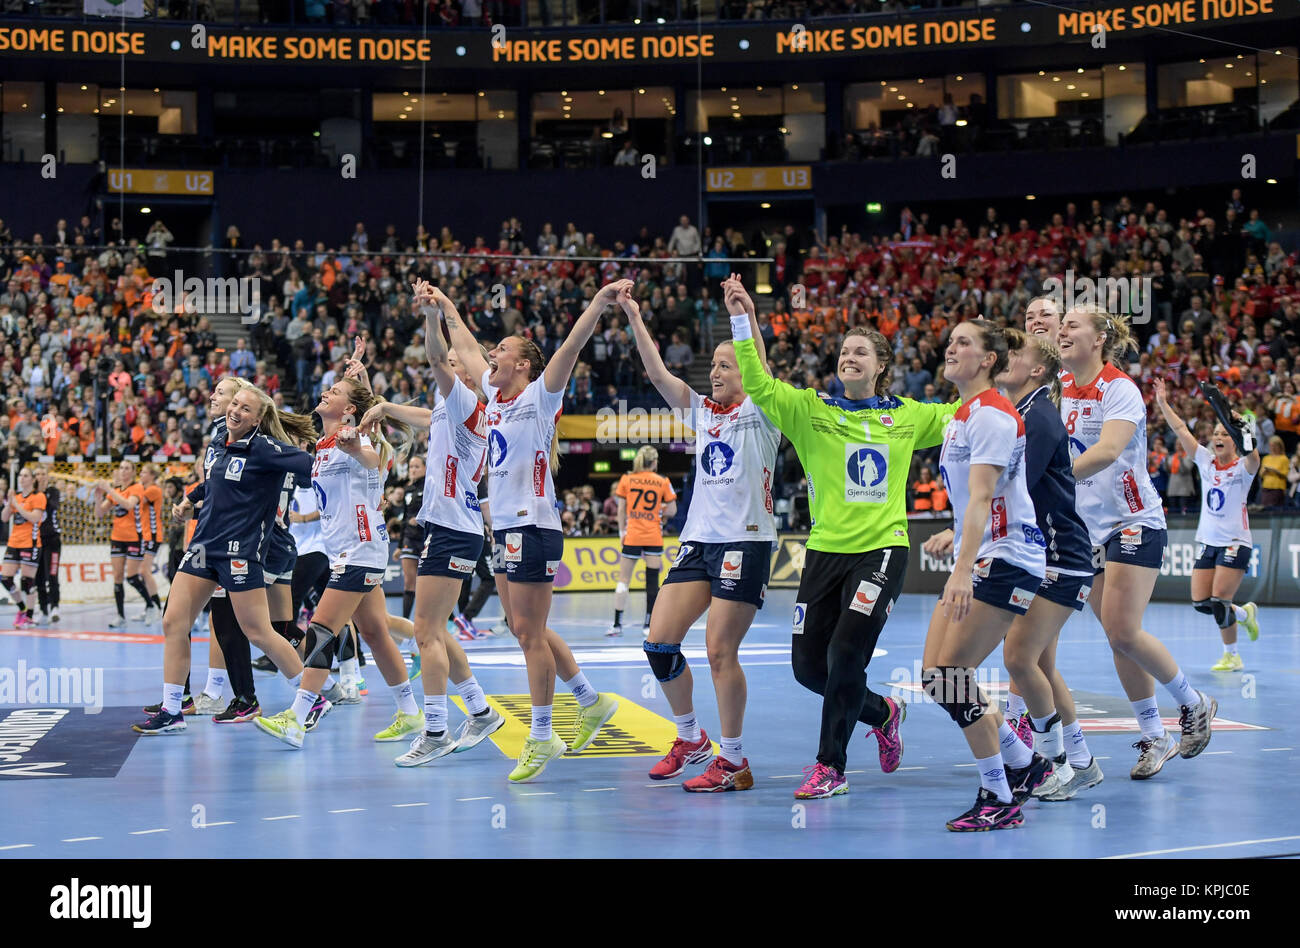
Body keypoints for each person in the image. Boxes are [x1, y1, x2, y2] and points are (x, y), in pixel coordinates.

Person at [730, 282, 959, 800]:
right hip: (824, 554)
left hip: (882, 551)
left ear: (881, 365)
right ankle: (883, 712)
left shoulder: (907, 415)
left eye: (861, 351)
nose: (849, 356)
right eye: (844, 351)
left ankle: (830, 767)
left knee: (846, 655)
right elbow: (759, 384)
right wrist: (743, 321)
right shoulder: (811, 411)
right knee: (809, 668)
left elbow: (967, 415)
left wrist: (1017, 373)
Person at [442, 278, 626, 782]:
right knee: (532, 630)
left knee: (527, 635)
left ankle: (542, 736)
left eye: (501, 350)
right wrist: (443, 304)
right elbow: (462, 343)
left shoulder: (541, 397)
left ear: (522, 364)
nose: (490, 355)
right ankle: (590, 702)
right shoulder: (496, 401)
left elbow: (570, 347)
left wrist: (596, 303)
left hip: (532, 526)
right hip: (505, 529)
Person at [616, 275, 776, 792]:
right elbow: (658, 373)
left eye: (725, 365)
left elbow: (759, 365)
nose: (715, 373)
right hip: (698, 542)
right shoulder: (702, 413)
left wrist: (741, 315)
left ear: (746, 372)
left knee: (718, 652)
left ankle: (734, 761)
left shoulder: (764, 408)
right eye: (713, 365)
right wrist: (636, 317)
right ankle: (691, 738)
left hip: (744, 542)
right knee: (659, 645)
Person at [1058, 306, 1216, 779]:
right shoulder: (1057, 389)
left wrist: (1048, 480)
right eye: (1060, 325)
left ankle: (1193, 701)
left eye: (1072, 326)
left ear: (1099, 338)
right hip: (1087, 528)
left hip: (1133, 519)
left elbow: (1107, 452)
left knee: (1123, 629)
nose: (1062, 332)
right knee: (1116, 636)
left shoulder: (1119, 388)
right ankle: (1154, 734)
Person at [358, 282, 507, 766]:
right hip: (450, 524)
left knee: (425, 633)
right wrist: (383, 406)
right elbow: (427, 415)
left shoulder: (467, 398)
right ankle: (481, 711)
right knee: (436, 630)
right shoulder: (456, 405)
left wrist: (431, 315)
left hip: (452, 526)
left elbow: (439, 362)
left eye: (465, 362)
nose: (456, 365)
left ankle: (438, 729)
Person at [133, 385, 317, 736]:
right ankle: (173, 709)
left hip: (240, 552)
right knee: (173, 622)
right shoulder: (218, 439)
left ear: (258, 419)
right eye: (234, 403)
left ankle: (310, 699)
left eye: (245, 408)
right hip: (203, 546)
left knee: (259, 631)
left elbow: (313, 466)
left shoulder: (266, 448)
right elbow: (213, 482)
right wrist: (189, 499)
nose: (235, 410)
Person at [921, 320, 1047, 831]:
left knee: (953, 674)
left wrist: (960, 571)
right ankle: (1023, 760)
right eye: (950, 341)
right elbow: (982, 500)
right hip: (985, 552)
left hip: (1006, 558)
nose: (951, 348)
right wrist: (959, 540)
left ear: (989, 359)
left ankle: (998, 795)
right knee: (936, 677)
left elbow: (981, 497)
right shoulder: (962, 414)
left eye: (964, 343)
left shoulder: (993, 413)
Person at [253, 371, 421, 750]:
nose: (325, 390)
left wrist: (355, 444)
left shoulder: (354, 439)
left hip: (359, 550)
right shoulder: (324, 445)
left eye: (336, 391)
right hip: (345, 549)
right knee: (376, 633)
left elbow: (371, 456)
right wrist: (356, 373)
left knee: (322, 626)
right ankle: (410, 712)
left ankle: (298, 717)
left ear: (349, 410)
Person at [1154, 378, 1261, 671]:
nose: (1217, 437)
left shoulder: (1243, 469)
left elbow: (1253, 455)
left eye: (1224, 433)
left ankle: (1232, 655)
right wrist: (1163, 403)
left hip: (1235, 542)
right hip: (1209, 541)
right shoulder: (1205, 461)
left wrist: (1244, 426)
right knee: (1201, 602)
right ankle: (1245, 615)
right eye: (1215, 433)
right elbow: (1180, 430)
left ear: (1233, 440)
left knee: (1219, 602)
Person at [606, 445, 677, 638]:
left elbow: (621, 510)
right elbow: (672, 511)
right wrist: (660, 512)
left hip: (632, 536)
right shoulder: (663, 481)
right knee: (652, 583)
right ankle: (648, 625)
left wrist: (622, 532)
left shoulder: (626, 479)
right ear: (654, 462)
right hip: (653, 535)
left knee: (623, 581)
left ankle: (617, 625)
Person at [94, 460, 150, 629]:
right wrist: (98, 497)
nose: (123, 471)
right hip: (117, 537)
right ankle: (120, 616)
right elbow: (100, 513)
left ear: (133, 472)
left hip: (134, 537)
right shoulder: (116, 491)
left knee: (132, 577)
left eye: (127, 468)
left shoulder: (137, 488)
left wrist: (109, 489)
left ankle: (151, 605)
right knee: (117, 576)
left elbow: (128, 505)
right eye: (121, 468)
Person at [1, 467, 45, 628]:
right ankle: (22, 608)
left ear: (32, 480)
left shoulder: (38, 496)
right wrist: (9, 502)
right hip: (14, 542)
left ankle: (29, 616)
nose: (22, 478)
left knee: (27, 582)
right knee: (5, 578)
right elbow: (4, 518)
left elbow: (35, 518)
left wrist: (17, 506)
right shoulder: (17, 497)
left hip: (30, 543)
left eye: (26, 475)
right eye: (21, 475)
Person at [135, 463, 166, 621]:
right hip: (145, 535)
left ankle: (156, 607)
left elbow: (136, 501)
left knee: (144, 571)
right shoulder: (146, 489)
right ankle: (150, 606)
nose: (141, 474)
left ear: (152, 476)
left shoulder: (153, 490)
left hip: (153, 536)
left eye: (144, 472)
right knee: (141, 572)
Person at [32, 467, 61, 624]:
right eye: (38, 474)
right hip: (36, 540)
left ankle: (55, 606)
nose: (40, 477)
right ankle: (43, 609)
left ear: (47, 477)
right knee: (38, 577)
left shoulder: (53, 491)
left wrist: (41, 493)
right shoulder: (33, 493)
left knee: (52, 574)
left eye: (43, 474)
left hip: (52, 540)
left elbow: (52, 506)